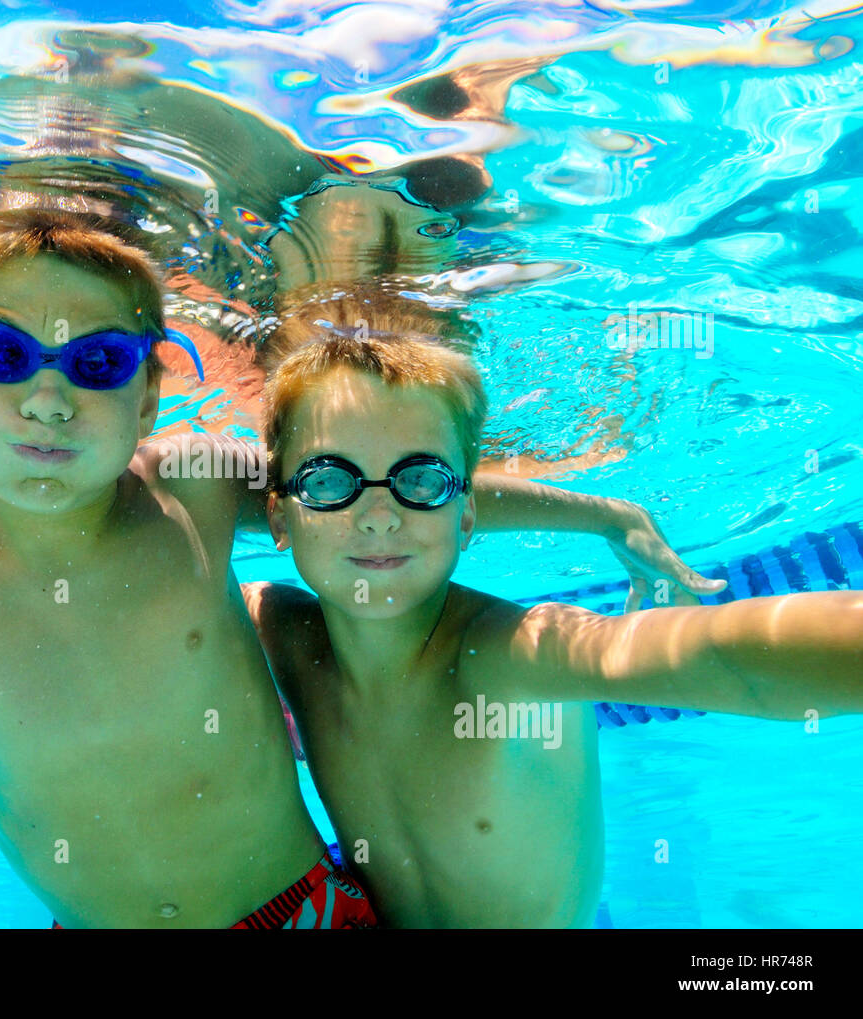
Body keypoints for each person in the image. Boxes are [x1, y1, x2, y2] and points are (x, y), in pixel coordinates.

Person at [0, 209, 710, 927]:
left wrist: (596, 510)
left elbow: (375, 482)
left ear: (150, 391)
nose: (50, 394)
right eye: (5, 356)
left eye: (98, 360)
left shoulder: (194, 484)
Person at [237, 300, 862, 927]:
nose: (377, 515)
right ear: (279, 518)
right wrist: (604, 515)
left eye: (420, 481)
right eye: (328, 482)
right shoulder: (282, 630)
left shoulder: (505, 654)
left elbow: (731, 660)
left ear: (468, 515)